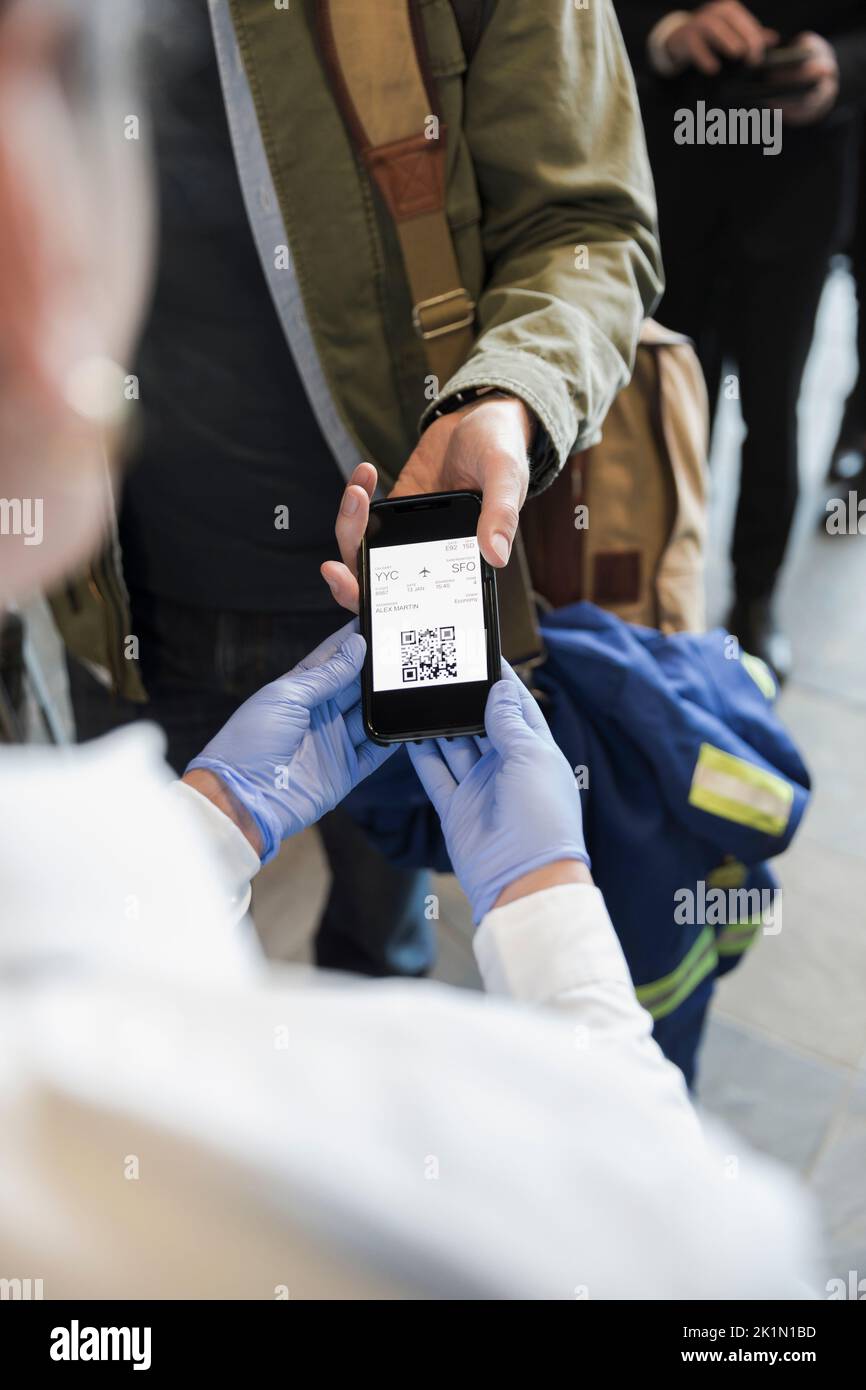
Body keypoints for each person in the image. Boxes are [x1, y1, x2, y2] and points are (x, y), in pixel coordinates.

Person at [0, 0, 820, 1300]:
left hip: (369, 610)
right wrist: (547, 915)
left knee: (375, 927)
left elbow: (589, 218)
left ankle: (369, 962)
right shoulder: (554, 1222)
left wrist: (201, 830)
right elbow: (697, 1268)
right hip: (125, 627)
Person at [50, 0, 664, 979]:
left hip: (396, 582)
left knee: (383, 930)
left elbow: (587, 220)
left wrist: (510, 395)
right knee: (127, 948)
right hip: (100, 599)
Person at [615, 0, 866, 680]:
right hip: (675, 179)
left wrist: (835, 65)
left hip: (801, 184)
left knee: (773, 405)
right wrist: (671, 33)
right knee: (666, 410)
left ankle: (755, 602)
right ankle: (660, 601)